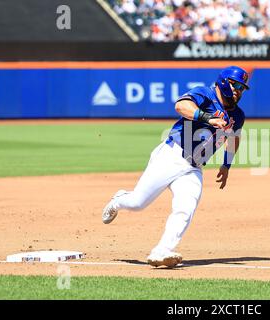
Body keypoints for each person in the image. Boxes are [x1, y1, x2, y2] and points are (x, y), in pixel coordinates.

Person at [102, 66, 249, 267]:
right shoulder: (205, 93)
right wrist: (208, 118)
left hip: (194, 167)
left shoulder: (238, 115)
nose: (238, 91)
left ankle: (162, 251)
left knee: (185, 208)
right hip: (172, 155)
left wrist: (226, 165)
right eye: (236, 85)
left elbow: (234, 138)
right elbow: (181, 106)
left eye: (242, 88)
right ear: (223, 81)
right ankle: (119, 200)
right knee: (137, 203)